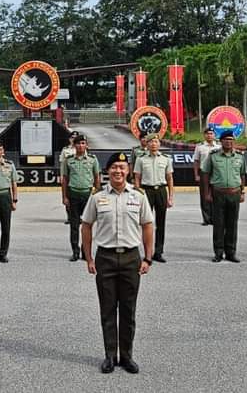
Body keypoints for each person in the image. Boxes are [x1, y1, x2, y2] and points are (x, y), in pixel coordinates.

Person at [81, 152, 154, 374]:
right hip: (106, 258)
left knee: (129, 310)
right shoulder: (97, 197)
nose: (118, 171)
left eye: (122, 167)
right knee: (108, 309)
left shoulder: (139, 196)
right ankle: (110, 356)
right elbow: (86, 225)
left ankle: (127, 356)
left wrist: (148, 257)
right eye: (114, 167)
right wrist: (89, 257)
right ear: (108, 171)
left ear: (128, 170)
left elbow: (148, 226)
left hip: (132, 258)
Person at [201, 131, 246, 263]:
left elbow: (242, 175)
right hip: (218, 193)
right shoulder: (213, 156)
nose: (229, 142)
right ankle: (218, 252)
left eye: (231, 140)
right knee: (219, 224)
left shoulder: (239, 157)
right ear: (221, 141)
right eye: (226, 140)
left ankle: (231, 252)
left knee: (232, 224)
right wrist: (207, 193)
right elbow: (205, 174)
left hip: (234, 193)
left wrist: (242, 192)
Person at [133, 133, 174, 263]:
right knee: (146, 223)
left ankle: (158, 251)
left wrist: (170, 196)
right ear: (147, 144)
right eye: (151, 142)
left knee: (161, 224)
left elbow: (169, 178)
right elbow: (137, 178)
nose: (153, 144)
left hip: (161, 190)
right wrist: (138, 194)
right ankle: (147, 252)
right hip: (146, 191)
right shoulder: (141, 159)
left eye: (156, 142)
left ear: (159, 144)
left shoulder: (166, 159)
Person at [61, 134, 100, 261]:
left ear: (86, 145)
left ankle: (85, 251)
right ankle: (75, 251)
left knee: (87, 225)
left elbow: (96, 177)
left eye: (83, 143)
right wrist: (64, 197)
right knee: (74, 225)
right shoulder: (69, 160)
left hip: (87, 194)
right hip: (73, 194)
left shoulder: (92, 160)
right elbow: (65, 179)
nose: (81, 146)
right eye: (78, 143)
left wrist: (98, 195)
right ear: (74, 145)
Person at [192, 127, 220, 225]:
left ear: (214, 135)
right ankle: (206, 219)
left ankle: (215, 218)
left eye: (211, 133)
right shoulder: (199, 147)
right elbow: (196, 161)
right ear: (204, 135)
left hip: (216, 173)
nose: (209, 135)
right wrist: (196, 175)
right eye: (207, 134)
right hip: (204, 173)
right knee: (204, 196)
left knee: (216, 196)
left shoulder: (219, 147)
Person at [58, 131, 80, 224]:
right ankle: (70, 217)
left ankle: (78, 217)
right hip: (68, 176)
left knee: (78, 197)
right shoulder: (65, 150)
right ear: (69, 139)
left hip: (78, 176)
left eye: (76, 138)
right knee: (67, 196)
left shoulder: (82, 149)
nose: (73, 139)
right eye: (72, 138)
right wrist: (61, 176)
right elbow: (62, 164)